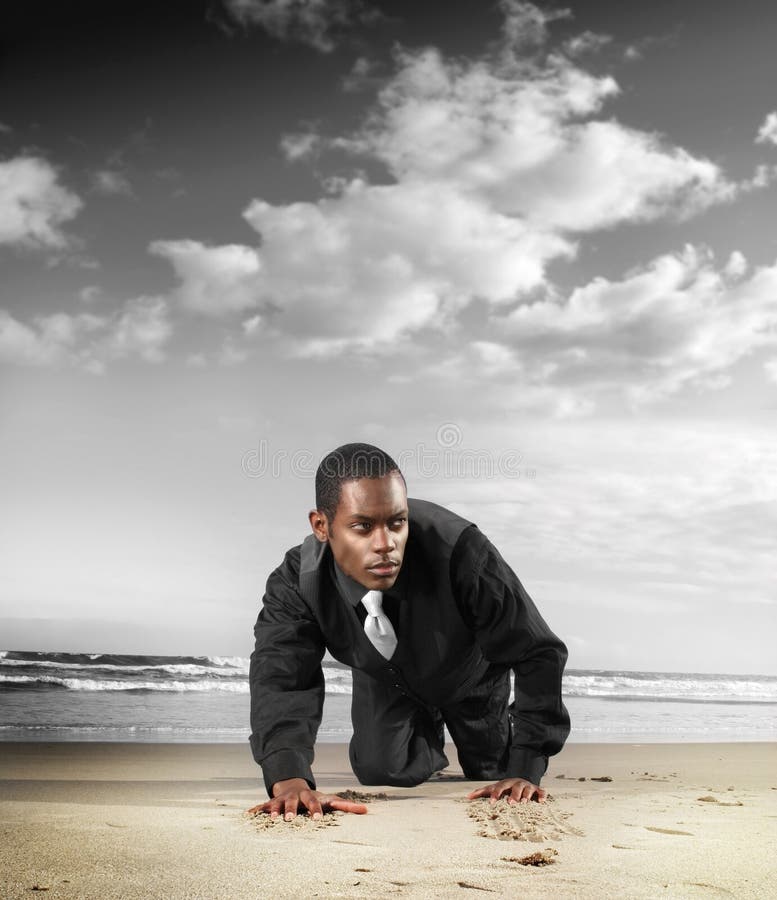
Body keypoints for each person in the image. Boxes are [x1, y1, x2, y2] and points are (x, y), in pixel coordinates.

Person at [248, 443, 570, 820]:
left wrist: (527, 764)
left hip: (469, 676)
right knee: (379, 771)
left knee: (493, 772)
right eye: (362, 527)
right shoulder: (296, 583)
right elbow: (282, 676)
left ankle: (477, 738)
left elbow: (537, 650)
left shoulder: (462, 551)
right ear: (322, 526)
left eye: (397, 523)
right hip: (386, 679)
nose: (385, 545)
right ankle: (425, 742)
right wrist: (288, 778)